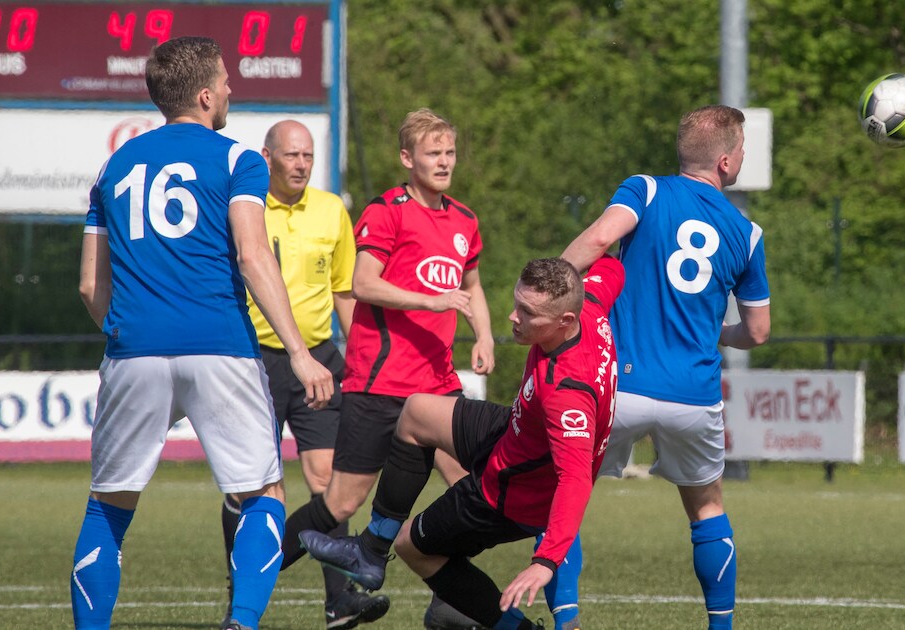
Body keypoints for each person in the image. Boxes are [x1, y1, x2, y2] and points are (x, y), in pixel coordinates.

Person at [71, 37, 334, 630]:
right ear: (206, 94)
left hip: (131, 350)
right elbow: (252, 255)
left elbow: (90, 286)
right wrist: (299, 352)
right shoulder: (239, 159)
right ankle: (241, 623)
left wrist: (126, 331)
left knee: (108, 508)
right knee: (263, 496)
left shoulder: (114, 166)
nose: (233, 90)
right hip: (219, 344)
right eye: (227, 80)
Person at [300, 256, 623, 630]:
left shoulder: (567, 393)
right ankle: (369, 551)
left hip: (512, 491)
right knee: (417, 411)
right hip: (513, 432)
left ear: (565, 321)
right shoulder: (591, 302)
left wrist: (545, 561)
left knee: (412, 548)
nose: (513, 317)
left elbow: (576, 479)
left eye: (528, 312)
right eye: (517, 304)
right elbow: (611, 260)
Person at [281, 108, 496, 628]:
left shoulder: (465, 219)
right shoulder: (387, 211)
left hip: (437, 385)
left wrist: (485, 334)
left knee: (475, 487)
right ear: (408, 159)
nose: (444, 163)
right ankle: (250, 575)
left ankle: (450, 601)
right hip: (380, 384)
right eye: (432, 154)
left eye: (449, 153)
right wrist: (431, 302)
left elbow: (470, 286)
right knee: (339, 502)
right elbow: (365, 282)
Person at [560, 104, 771, 629]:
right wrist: (713, 333)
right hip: (694, 396)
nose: (742, 157)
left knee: (562, 500)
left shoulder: (646, 191)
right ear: (725, 163)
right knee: (707, 508)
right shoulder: (747, 233)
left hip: (621, 388)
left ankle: (565, 624)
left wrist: (549, 296)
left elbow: (598, 240)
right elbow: (758, 332)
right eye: (741, 148)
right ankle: (720, 627)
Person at [215, 120, 389, 630]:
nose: (301, 165)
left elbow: (344, 290)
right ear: (267, 158)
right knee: (250, 488)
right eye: (291, 156)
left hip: (318, 360)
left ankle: (339, 603)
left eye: (308, 156)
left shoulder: (332, 210)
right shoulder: (243, 206)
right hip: (254, 360)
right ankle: (239, 597)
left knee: (326, 479)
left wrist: (362, 357)